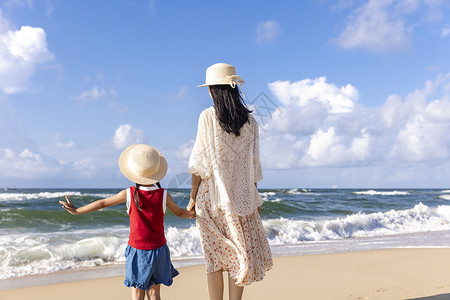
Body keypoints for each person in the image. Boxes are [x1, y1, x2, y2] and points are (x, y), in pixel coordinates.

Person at [59, 144, 195, 300]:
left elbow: (103, 203)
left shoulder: (129, 193)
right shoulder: (163, 194)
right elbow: (180, 212)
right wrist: (194, 214)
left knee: (137, 294)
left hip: (138, 251)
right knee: (155, 293)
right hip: (159, 251)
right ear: (156, 172)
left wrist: (77, 210)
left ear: (135, 172)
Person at [187, 63, 273, 300]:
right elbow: (253, 166)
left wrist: (192, 197)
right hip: (242, 198)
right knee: (239, 254)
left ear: (212, 90)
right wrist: (252, 199)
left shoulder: (207, 116)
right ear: (234, 88)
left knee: (214, 259)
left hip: (211, 198)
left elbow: (199, 162)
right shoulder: (251, 123)